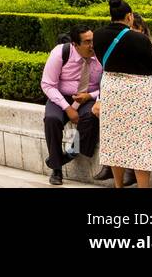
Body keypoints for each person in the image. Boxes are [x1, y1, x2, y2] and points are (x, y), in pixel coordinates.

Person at [93, 0, 152, 187]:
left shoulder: (98, 35)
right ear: (129, 16)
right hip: (138, 92)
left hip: (111, 89)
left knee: (115, 141)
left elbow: (101, 60)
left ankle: (118, 186)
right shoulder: (140, 38)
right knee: (142, 143)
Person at [39, 26, 107, 185]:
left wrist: (90, 96)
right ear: (75, 44)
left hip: (88, 97)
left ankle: (70, 154)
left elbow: (107, 84)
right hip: (61, 96)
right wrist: (67, 108)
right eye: (87, 42)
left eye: (93, 41)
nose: (92, 45)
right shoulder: (60, 53)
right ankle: (57, 170)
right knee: (51, 120)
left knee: (90, 117)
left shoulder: (101, 55)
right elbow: (47, 84)